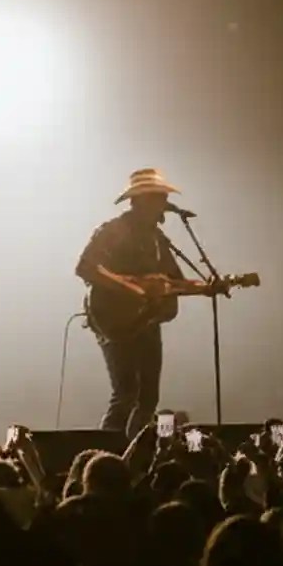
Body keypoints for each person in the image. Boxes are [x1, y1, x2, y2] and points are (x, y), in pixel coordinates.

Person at [76, 168, 187, 438]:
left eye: (163, 197)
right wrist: (132, 288)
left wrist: (209, 287)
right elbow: (85, 267)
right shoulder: (113, 230)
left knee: (148, 398)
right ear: (138, 201)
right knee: (126, 393)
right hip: (114, 319)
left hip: (147, 321)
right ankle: (105, 452)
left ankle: (136, 451)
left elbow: (176, 280)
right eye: (156, 197)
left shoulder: (158, 239)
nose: (162, 202)